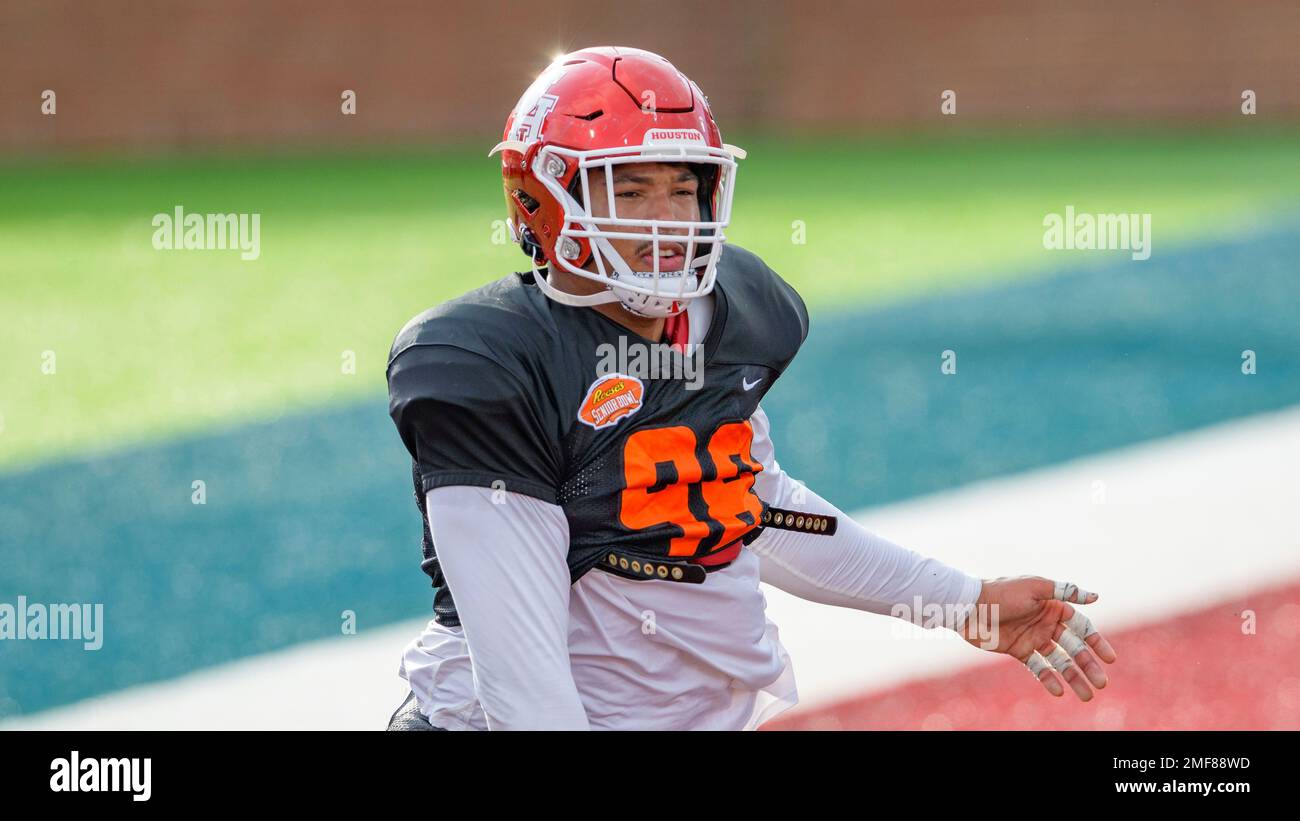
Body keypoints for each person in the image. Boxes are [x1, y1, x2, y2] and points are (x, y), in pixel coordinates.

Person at [384, 46, 1116, 730]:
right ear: (543, 198)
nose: (670, 219)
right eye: (631, 189)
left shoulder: (731, 314)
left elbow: (755, 508)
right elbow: (526, 689)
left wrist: (965, 602)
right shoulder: (493, 366)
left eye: (683, 187)